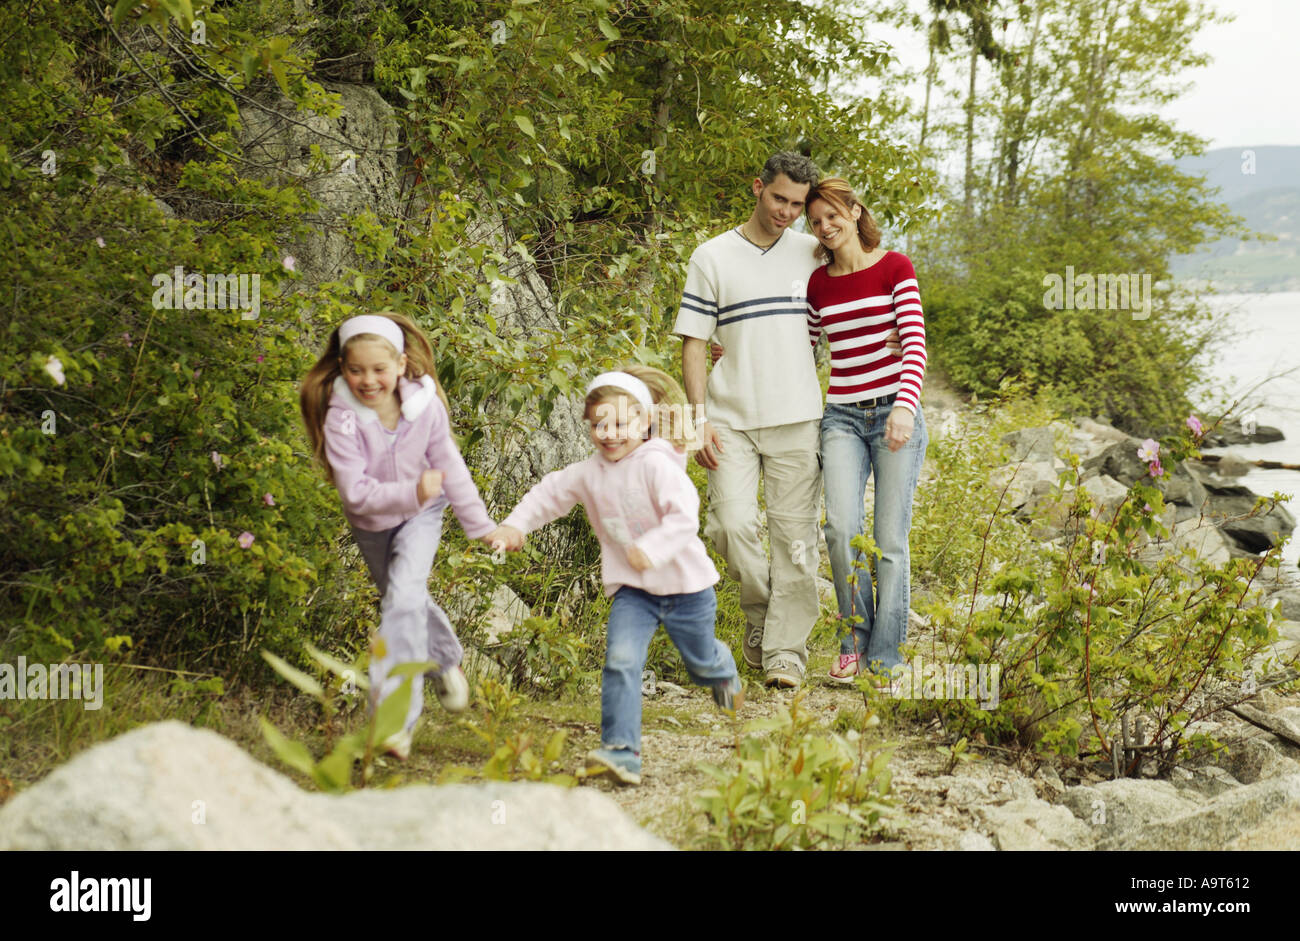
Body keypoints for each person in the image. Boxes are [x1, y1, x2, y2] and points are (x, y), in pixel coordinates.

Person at [494, 366, 742, 785]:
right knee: (622, 660)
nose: (610, 434)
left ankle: (723, 671)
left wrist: (650, 549)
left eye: (621, 423)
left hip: (687, 588)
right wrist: (515, 525)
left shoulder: (657, 465)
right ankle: (622, 751)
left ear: (644, 422)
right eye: (599, 425)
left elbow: (684, 517)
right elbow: (548, 493)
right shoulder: (589, 472)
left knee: (701, 664)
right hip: (633, 591)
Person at [300, 312, 508, 759]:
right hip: (372, 524)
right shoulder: (342, 419)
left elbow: (450, 467)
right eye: (356, 370)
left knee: (401, 602)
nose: (368, 380)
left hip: (422, 516)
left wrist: (482, 527)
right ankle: (445, 659)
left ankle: (394, 724)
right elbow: (355, 494)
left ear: (401, 364)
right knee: (403, 599)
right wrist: (408, 489)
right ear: (341, 366)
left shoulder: (424, 407)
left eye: (379, 369)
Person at [675, 151, 825, 689]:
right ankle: (761, 611)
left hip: (798, 417)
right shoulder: (712, 256)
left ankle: (786, 650)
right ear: (758, 188)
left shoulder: (813, 250)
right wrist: (697, 419)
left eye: (797, 204)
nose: (787, 211)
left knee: (795, 541)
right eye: (779, 198)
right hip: (729, 419)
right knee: (730, 525)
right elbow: (695, 344)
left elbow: (862, 280)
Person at [804, 178, 928, 689]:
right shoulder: (819, 284)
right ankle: (852, 642)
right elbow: (801, 348)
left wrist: (904, 405)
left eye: (833, 214)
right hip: (841, 418)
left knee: (889, 540)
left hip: (894, 414)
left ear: (854, 211)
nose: (826, 226)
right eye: (816, 222)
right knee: (840, 528)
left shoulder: (895, 267)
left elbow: (916, 342)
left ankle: (885, 656)